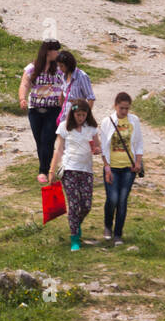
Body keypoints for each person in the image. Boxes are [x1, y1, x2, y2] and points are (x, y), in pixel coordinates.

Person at [50, 99, 101, 251]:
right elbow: (58, 149)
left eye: (84, 115)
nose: (81, 118)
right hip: (69, 169)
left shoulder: (91, 128)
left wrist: (97, 150)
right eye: (78, 115)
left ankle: (76, 224)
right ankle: (74, 238)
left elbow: (97, 146)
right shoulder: (64, 127)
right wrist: (52, 170)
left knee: (86, 204)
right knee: (74, 203)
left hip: (86, 170)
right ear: (73, 114)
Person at [19, 39, 66, 184]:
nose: (57, 53)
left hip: (54, 109)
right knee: (40, 140)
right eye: (55, 50)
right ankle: (49, 166)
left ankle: (43, 171)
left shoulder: (59, 68)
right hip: (35, 110)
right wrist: (22, 98)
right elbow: (24, 84)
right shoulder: (32, 68)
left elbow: (67, 83)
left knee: (47, 139)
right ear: (47, 52)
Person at [100, 93, 144, 245]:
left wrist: (138, 163)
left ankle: (118, 233)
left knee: (123, 200)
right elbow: (104, 148)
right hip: (112, 167)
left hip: (128, 168)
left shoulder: (134, 121)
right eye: (121, 108)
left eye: (127, 108)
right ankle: (107, 225)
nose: (124, 111)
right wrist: (106, 168)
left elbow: (138, 143)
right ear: (115, 105)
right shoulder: (107, 121)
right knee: (112, 199)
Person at [55, 50, 95, 125]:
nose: (60, 69)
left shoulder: (82, 76)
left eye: (61, 66)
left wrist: (86, 116)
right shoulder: (63, 76)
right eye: (58, 66)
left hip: (77, 115)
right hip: (65, 115)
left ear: (68, 65)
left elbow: (90, 98)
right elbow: (63, 93)